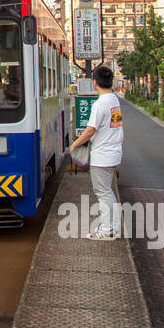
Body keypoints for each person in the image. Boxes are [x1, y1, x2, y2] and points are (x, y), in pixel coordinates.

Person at [67, 64, 124, 239]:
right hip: (113, 153)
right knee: (108, 192)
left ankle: (106, 230)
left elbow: (90, 130)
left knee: (103, 193)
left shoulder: (100, 104)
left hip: (102, 156)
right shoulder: (114, 99)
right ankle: (112, 227)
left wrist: (75, 144)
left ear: (95, 83)